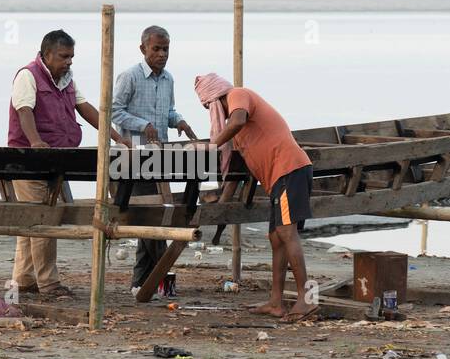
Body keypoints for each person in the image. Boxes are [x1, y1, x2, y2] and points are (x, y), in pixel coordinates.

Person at [8, 29, 126, 299]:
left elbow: (86, 110)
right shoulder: (28, 75)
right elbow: (24, 110)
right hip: (27, 161)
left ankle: (23, 279)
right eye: (64, 56)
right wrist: (36, 141)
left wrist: (116, 137)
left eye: (71, 56)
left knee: (32, 221)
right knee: (43, 220)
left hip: (56, 161)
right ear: (47, 54)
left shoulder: (67, 81)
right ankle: (48, 283)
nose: (69, 61)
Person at [196, 73, 316, 321]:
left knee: (286, 232)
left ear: (216, 97)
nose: (211, 111)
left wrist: (211, 145)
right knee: (275, 237)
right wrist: (220, 208)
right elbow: (237, 177)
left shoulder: (238, 95)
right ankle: (276, 302)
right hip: (277, 181)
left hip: (290, 170)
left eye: (209, 106)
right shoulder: (237, 134)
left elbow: (238, 119)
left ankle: (307, 300)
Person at [112, 25, 199, 296]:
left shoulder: (169, 79)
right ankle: (163, 274)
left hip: (159, 157)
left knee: (152, 217)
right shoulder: (130, 76)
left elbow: (168, 111)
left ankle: (141, 282)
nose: (162, 54)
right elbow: (114, 112)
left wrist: (180, 121)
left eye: (166, 49)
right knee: (150, 218)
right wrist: (142, 124)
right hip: (133, 159)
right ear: (143, 49)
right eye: (156, 49)